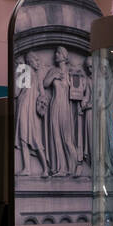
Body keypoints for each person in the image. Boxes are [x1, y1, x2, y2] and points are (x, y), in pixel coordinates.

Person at [42, 46, 79, 177]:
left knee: (67, 138)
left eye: (58, 53)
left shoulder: (71, 71)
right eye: (56, 52)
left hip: (65, 106)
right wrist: (53, 76)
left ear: (64, 56)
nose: (56, 55)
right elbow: (45, 84)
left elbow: (78, 89)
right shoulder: (53, 70)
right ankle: (61, 168)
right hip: (54, 104)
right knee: (56, 136)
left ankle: (75, 167)